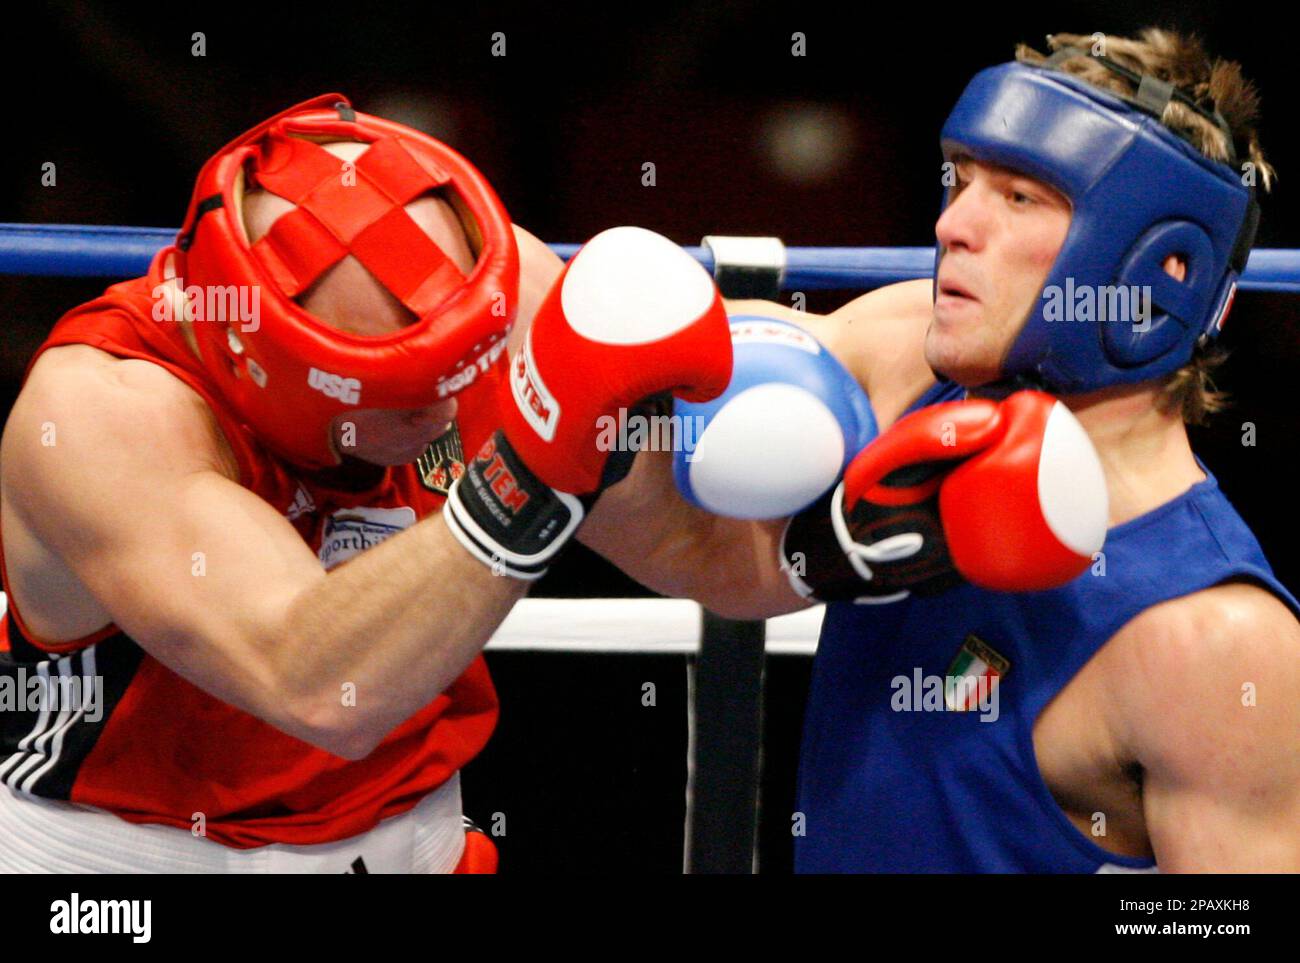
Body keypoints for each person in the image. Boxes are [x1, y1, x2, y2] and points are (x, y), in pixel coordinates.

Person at [579, 29, 1300, 871]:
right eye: (962, 180)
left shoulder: (1215, 642)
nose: (952, 222)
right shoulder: (909, 360)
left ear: (1158, 268)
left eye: (1021, 197)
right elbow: (642, 386)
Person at [0, 93, 733, 872]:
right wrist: (531, 474)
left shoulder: (494, 301)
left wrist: (827, 536)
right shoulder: (103, 413)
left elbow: (689, 545)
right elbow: (314, 683)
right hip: (118, 874)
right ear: (263, 357)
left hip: (419, 842)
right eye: (400, 391)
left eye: (461, 367)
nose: (447, 407)